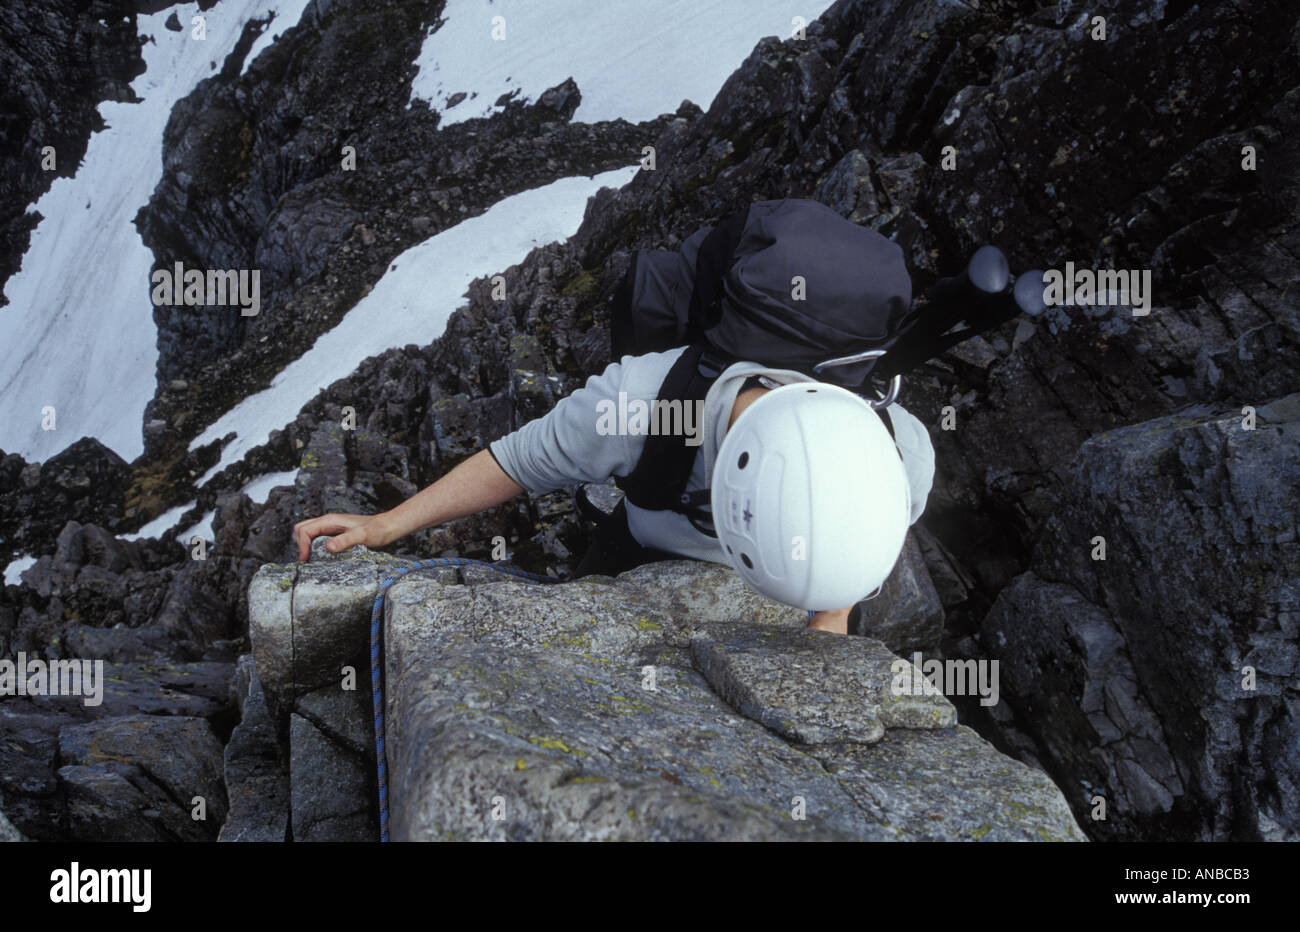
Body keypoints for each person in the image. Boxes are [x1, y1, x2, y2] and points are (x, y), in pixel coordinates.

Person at [293, 344, 934, 635]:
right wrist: (387, 525)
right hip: (638, 543)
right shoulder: (637, 407)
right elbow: (517, 462)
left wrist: (829, 616)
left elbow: (859, 543)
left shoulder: (895, 453)